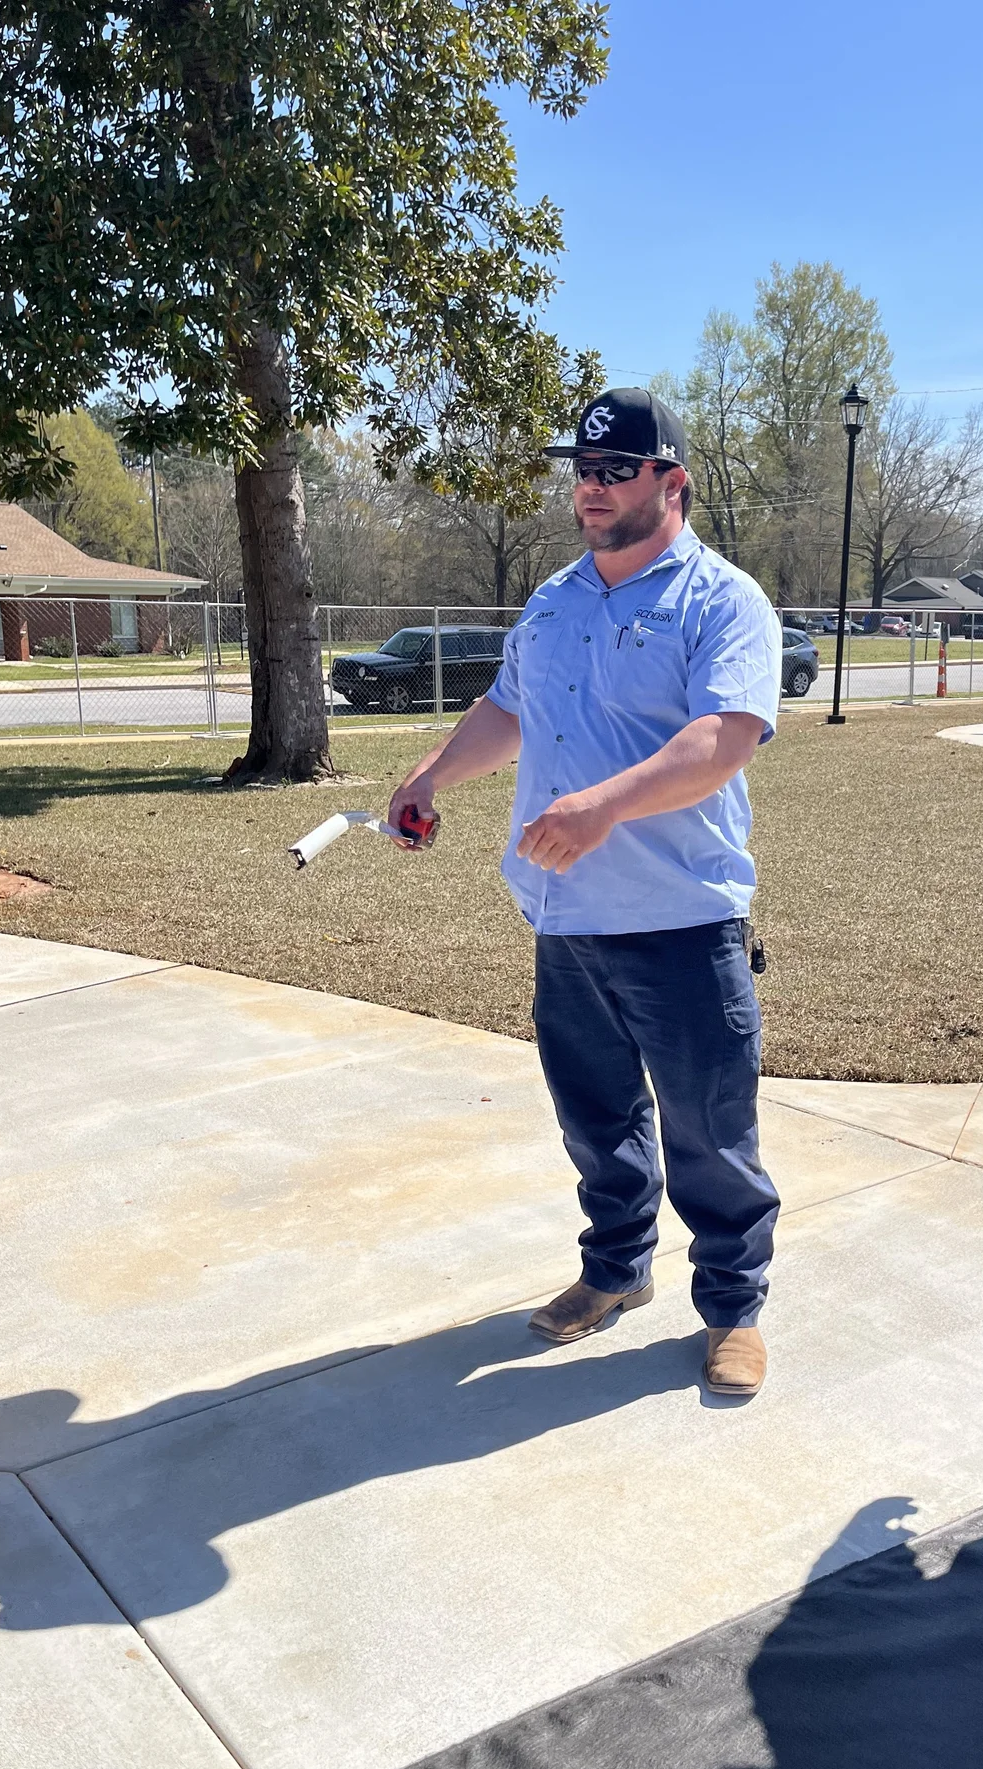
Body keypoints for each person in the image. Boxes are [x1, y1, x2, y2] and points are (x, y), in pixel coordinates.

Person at [388, 388, 781, 1397]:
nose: (591, 487)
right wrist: (431, 774)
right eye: (583, 470)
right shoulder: (556, 597)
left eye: (615, 470)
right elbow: (507, 706)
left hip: (680, 919)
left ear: (671, 480)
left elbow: (723, 739)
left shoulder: (721, 600)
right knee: (596, 1118)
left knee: (709, 1131)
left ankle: (732, 1309)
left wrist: (602, 805)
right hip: (564, 920)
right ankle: (614, 1272)